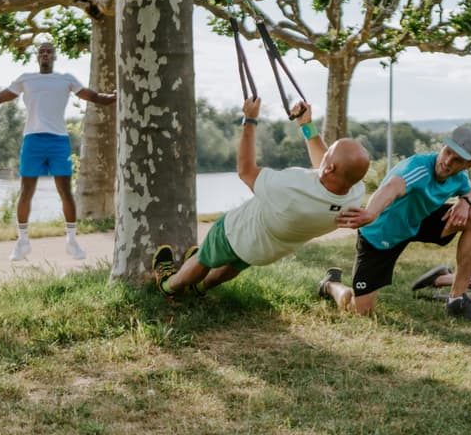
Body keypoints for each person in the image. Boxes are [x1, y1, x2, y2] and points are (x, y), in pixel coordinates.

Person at [151, 97, 370, 297]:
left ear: (329, 168)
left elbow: (246, 171)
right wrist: (306, 125)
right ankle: (201, 286)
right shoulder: (354, 196)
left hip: (236, 232)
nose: (324, 153)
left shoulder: (292, 188)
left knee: (204, 259)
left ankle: (171, 285)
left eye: (328, 152)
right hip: (266, 251)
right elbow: (326, 165)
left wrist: (250, 120)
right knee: (234, 263)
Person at [0, 41, 115, 261]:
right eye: (42, 52)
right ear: (38, 57)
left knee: (65, 192)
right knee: (26, 192)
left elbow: (94, 97)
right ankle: (22, 242)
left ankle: (72, 241)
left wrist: (115, 96)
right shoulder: (26, 79)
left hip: (58, 142)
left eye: (49, 51)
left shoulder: (66, 79)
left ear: (54, 56)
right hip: (33, 141)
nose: (45, 54)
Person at [318, 124, 471, 322]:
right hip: (382, 233)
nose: (448, 162)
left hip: (417, 222)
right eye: (447, 152)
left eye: (457, 159)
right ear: (442, 147)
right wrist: (372, 212)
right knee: (361, 311)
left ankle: (457, 300)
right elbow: (393, 187)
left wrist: (465, 202)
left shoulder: (460, 176)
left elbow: (470, 188)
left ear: (468, 165)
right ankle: (330, 285)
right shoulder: (418, 168)